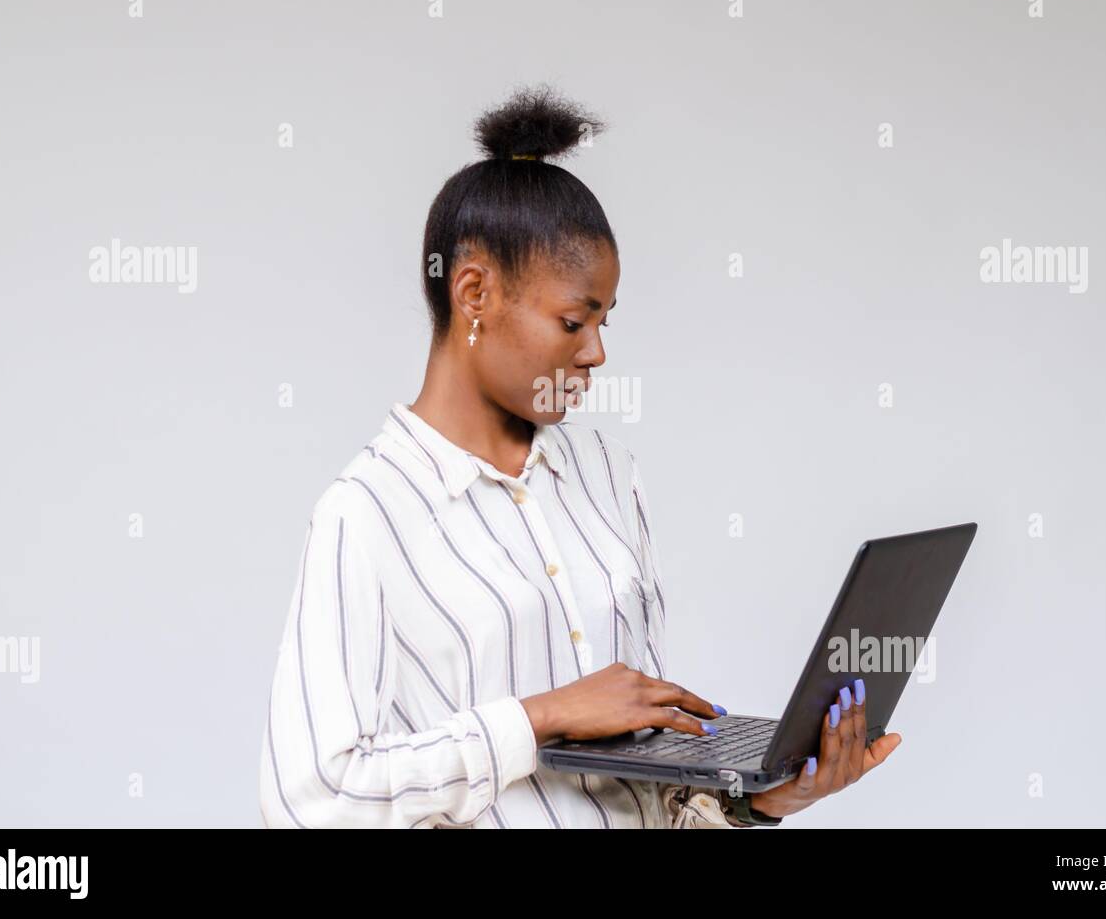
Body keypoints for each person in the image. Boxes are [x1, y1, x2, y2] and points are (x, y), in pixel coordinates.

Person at [259, 84, 901, 828]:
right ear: (474, 292)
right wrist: (539, 718)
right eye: (573, 319)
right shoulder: (367, 513)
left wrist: (760, 799)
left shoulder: (606, 476)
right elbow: (310, 799)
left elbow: (645, 796)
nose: (597, 352)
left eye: (604, 318)